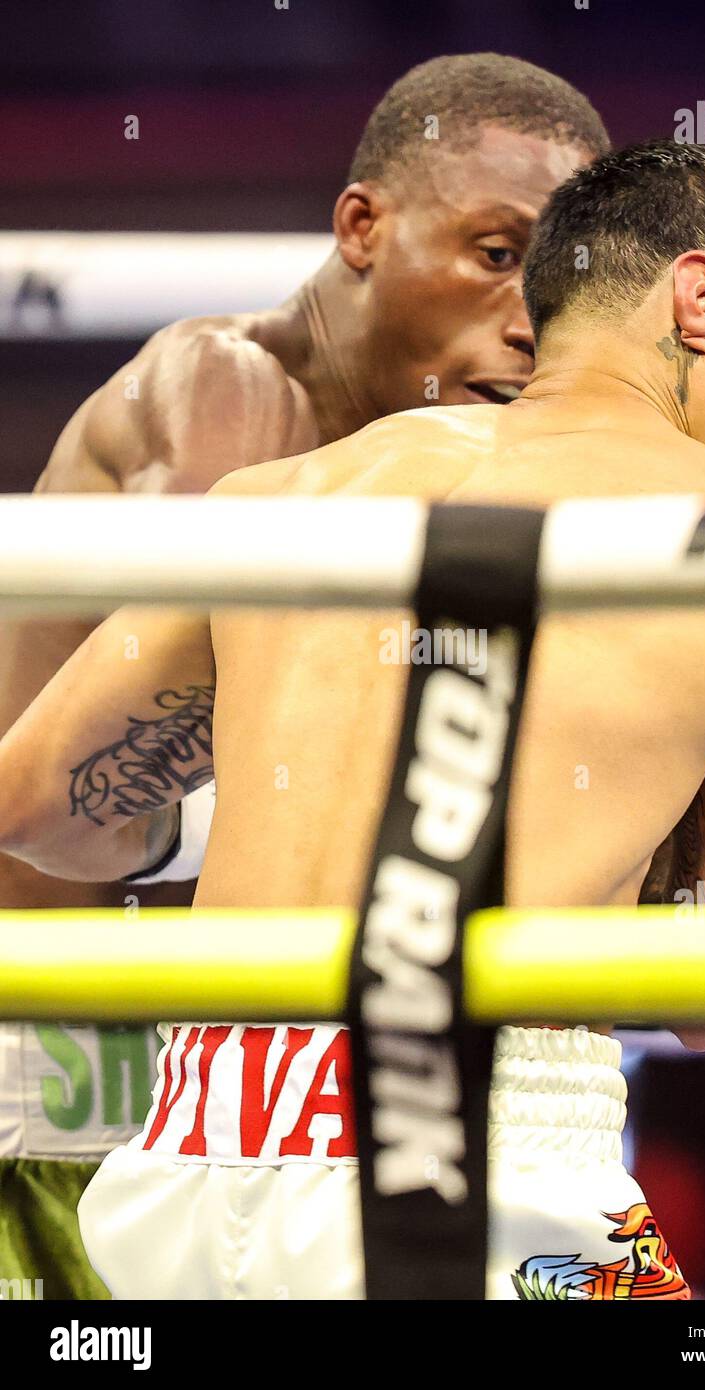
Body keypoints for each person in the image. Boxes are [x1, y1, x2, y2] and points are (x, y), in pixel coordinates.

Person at [0, 139, 705, 1300]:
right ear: (701, 302)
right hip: (474, 1143)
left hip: (184, 1159)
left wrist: (251, 806)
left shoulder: (287, 496)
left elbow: (40, 802)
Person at [0, 53, 609, 1299]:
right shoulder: (230, 397)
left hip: (223, 1100)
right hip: (51, 1076)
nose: (529, 317)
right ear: (361, 227)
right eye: (496, 253)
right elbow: (73, 797)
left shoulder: (429, 471)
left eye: (557, 280)